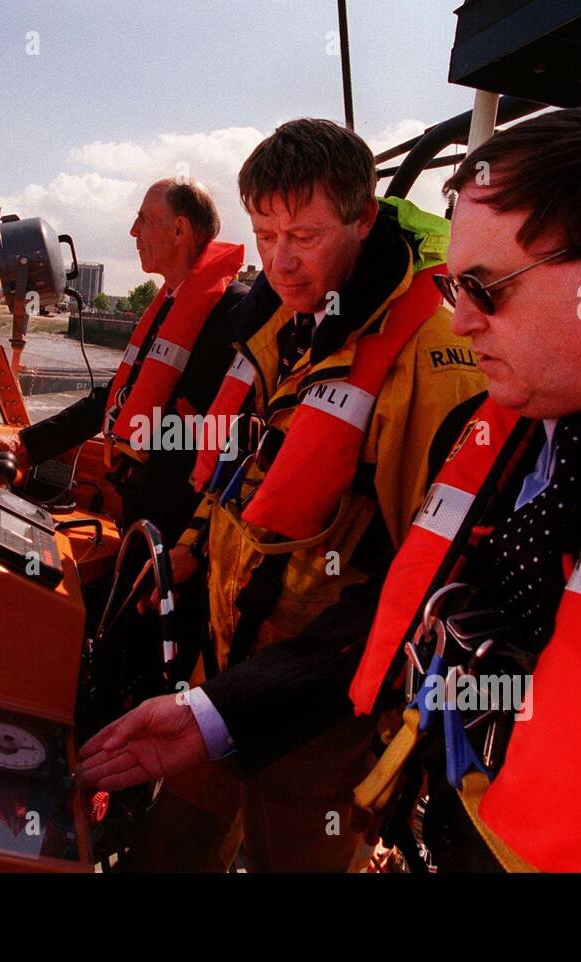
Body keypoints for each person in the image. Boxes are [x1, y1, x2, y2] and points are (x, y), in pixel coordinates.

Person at [80, 105, 581, 872]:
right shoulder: (488, 429)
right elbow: (402, 604)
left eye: (487, 286)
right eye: (452, 284)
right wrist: (213, 714)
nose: (462, 318)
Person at [79, 118, 485, 872]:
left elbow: (423, 588)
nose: (281, 262)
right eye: (265, 236)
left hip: (320, 722)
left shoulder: (433, 365)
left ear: (365, 219)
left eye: (304, 235)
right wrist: (192, 549)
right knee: (165, 857)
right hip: (223, 673)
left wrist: (239, 700)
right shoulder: (277, 330)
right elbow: (242, 475)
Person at [6, 178, 248, 545]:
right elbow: (114, 399)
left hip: (182, 527)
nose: (133, 231)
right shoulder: (169, 303)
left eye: (144, 220)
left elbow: (234, 436)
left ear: (180, 229)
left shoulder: (236, 311)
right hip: (139, 507)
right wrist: (27, 445)